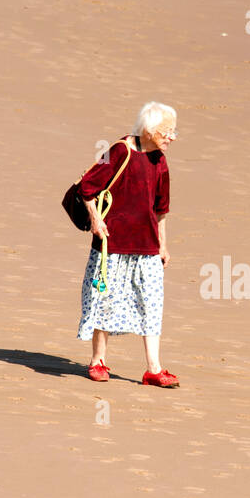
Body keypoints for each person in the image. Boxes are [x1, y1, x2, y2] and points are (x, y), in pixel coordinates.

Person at [76, 102, 179, 387]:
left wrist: (163, 245)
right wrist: (96, 220)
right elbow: (86, 188)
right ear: (148, 130)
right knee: (104, 301)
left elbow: (161, 209)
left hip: (146, 246)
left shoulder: (160, 160)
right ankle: (98, 361)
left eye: (173, 132)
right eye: (166, 131)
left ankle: (154, 369)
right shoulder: (120, 151)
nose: (171, 137)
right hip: (113, 244)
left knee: (151, 304)